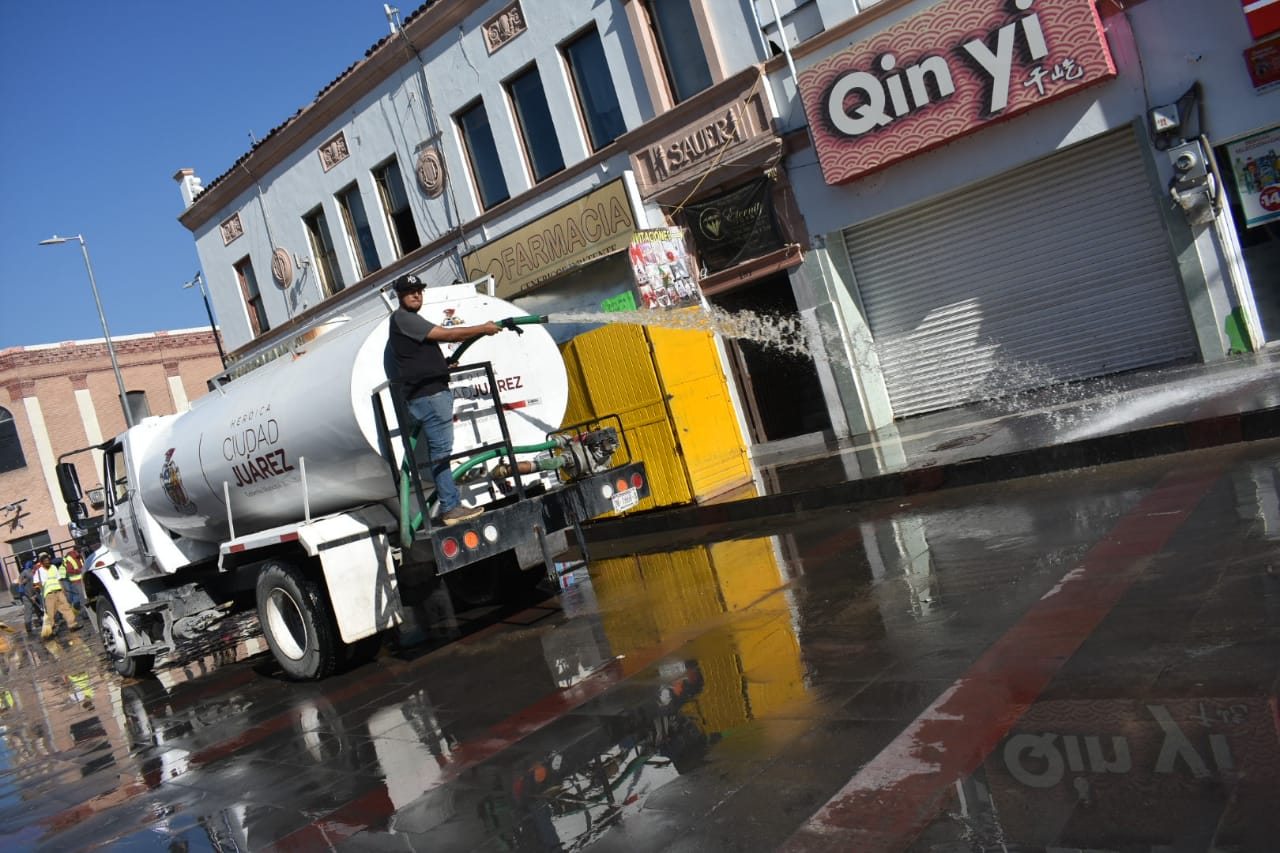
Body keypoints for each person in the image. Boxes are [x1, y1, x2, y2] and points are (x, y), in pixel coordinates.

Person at [387, 273, 505, 525]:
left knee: (440, 451)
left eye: (419, 290)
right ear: (399, 296)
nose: (416, 294)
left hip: (427, 392)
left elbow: (416, 357)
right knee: (441, 452)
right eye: (410, 291)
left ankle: (449, 504)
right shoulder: (403, 318)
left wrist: (443, 365)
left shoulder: (409, 320)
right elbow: (449, 335)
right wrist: (483, 328)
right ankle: (450, 507)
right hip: (430, 395)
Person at [33, 551, 80, 639]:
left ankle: (72, 625)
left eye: (48, 560)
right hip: (49, 594)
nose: (47, 561)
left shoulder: (53, 567)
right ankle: (49, 631)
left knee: (66, 608)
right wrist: (41, 590)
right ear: (42, 562)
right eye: (45, 560)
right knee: (51, 613)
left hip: (59, 592)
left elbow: (59, 578)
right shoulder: (39, 571)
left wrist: (63, 589)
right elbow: (36, 582)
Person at [16, 559, 42, 635]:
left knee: (38, 608)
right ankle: (28, 627)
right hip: (26, 595)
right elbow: (23, 586)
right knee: (28, 610)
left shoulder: (33, 572)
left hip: (34, 594)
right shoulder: (27, 573)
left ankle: (42, 621)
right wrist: (30, 596)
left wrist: (35, 595)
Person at [61, 548, 87, 615]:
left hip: (81, 579)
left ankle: (80, 611)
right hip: (75, 580)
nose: (81, 554)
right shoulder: (70, 558)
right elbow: (69, 570)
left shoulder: (79, 557)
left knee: (80, 596)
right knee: (81, 596)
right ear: (76, 551)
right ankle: (83, 613)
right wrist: (79, 570)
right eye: (80, 552)